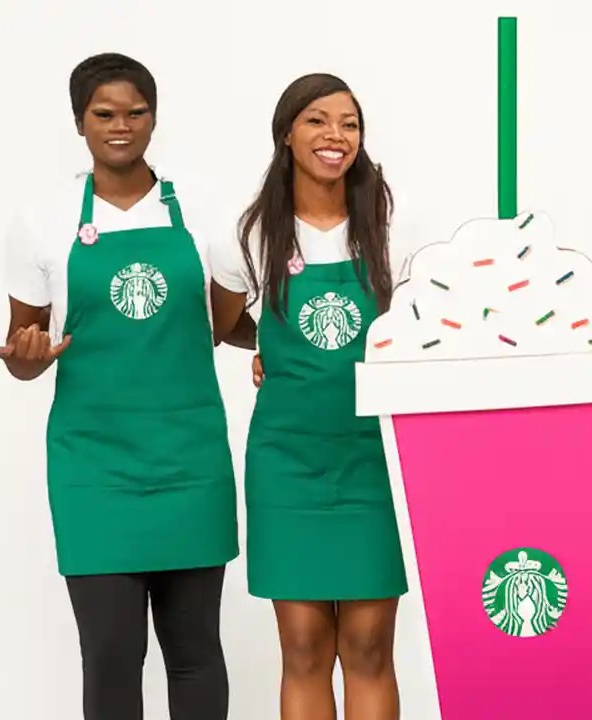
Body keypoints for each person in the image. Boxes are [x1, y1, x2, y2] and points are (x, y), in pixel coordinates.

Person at [0, 52, 237, 720]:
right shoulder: (41, 219)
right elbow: (26, 349)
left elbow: (228, 321)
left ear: (154, 117)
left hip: (190, 459)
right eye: (104, 113)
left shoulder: (204, 208)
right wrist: (26, 357)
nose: (121, 126)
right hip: (94, 467)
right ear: (80, 122)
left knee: (195, 652)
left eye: (136, 112)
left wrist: (283, 348)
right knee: (109, 651)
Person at [210, 72, 409, 720]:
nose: (336, 135)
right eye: (319, 120)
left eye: (349, 123)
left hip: (373, 461)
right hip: (286, 459)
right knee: (301, 648)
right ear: (287, 133)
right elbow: (224, 323)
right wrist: (269, 348)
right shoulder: (249, 235)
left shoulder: (384, 228)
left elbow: (417, 329)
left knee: (371, 645)